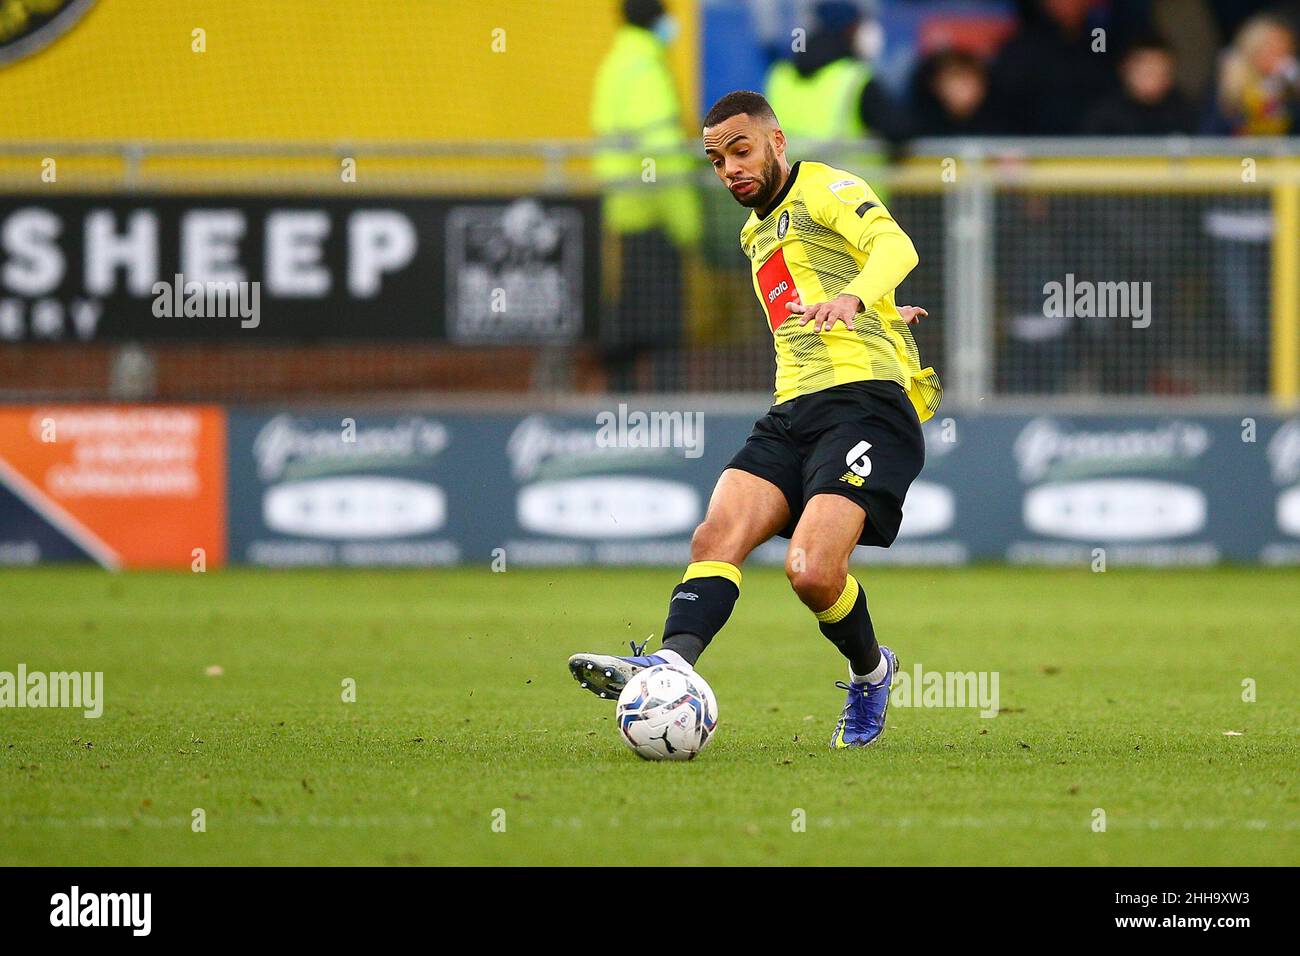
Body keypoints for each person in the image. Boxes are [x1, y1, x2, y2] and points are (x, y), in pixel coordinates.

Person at [568, 90, 941, 749]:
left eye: (740, 151)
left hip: (866, 409)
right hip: (791, 412)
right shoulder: (753, 232)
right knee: (716, 535)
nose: (730, 168)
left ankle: (872, 671)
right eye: (715, 160)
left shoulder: (825, 186)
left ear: (777, 144)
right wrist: (878, 311)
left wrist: (861, 296)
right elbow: (815, 301)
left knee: (811, 572)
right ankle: (671, 663)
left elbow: (895, 247)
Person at [591, 0, 701, 390]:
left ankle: (619, 404)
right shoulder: (645, 70)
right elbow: (664, 157)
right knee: (664, 321)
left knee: (628, 313)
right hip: (654, 213)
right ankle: (666, 411)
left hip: (624, 209)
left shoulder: (617, 63)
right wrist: (686, 223)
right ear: (656, 20)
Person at [1082, 36, 1199, 135]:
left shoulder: (1183, 111)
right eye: (1146, 72)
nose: (1153, 80)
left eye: (1160, 72)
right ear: (1126, 70)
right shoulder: (1104, 116)